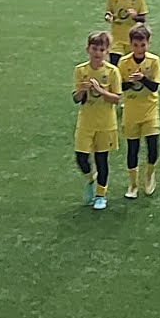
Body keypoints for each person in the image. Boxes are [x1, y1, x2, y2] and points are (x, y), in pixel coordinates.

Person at [72, 32, 123, 211]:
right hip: (85, 122)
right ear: (88, 50)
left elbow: (117, 99)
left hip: (106, 124)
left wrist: (100, 91)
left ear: (107, 52)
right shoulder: (81, 70)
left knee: (102, 160)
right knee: (81, 158)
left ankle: (101, 195)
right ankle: (90, 179)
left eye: (101, 49)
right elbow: (76, 99)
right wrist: (82, 90)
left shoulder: (112, 72)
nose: (97, 53)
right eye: (94, 49)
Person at [117, 25, 160, 199]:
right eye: (136, 45)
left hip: (150, 109)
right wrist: (129, 81)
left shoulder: (153, 61)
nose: (139, 49)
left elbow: (154, 87)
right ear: (131, 44)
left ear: (148, 43)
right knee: (132, 149)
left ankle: (149, 174)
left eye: (142, 45)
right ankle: (133, 183)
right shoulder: (123, 62)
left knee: (152, 147)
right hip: (131, 110)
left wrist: (143, 78)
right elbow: (119, 87)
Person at [104, 0, 147, 66]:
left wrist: (135, 16)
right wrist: (108, 16)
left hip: (132, 40)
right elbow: (109, 12)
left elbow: (143, 19)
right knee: (115, 65)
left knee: (130, 67)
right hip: (116, 39)